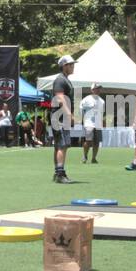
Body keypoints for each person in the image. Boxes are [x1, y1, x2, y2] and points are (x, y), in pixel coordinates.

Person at [50, 55, 75, 183]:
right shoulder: (60, 80)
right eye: (71, 64)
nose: (73, 66)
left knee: (59, 145)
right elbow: (60, 98)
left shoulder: (65, 79)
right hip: (60, 117)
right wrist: (69, 114)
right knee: (62, 146)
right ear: (64, 66)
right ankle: (60, 174)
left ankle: (57, 172)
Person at [80, 83, 104, 163]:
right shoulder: (86, 99)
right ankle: (85, 156)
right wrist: (83, 119)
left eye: (99, 88)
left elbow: (101, 113)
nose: (98, 90)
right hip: (88, 123)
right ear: (92, 90)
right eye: (96, 88)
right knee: (88, 140)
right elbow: (81, 109)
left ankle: (94, 158)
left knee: (96, 142)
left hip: (98, 124)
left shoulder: (102, 101)